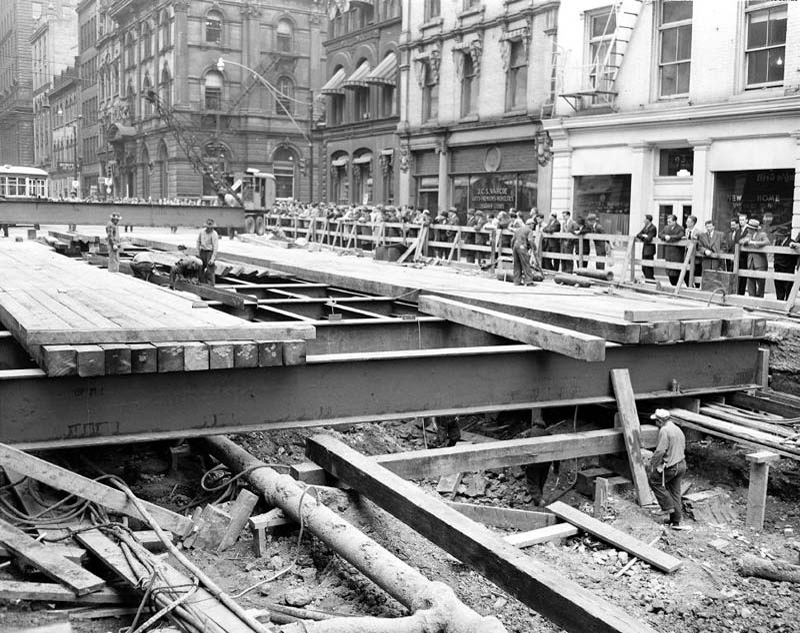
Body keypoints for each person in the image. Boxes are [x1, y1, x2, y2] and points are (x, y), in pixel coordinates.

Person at [647, 409, 689, 530]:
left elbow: (660, 450)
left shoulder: (664, 430)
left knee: (654, 481)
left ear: (660, 421)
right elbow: (682, 446)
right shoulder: (677, 428)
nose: (655, 423)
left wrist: (653, 463)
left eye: (656, 421)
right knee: (675, 492)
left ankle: (667, 506)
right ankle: (675, 521)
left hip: (672, 466)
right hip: (681, 464)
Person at [521, 418, 554, 507]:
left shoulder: (529, 434)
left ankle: (539, 500)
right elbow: (556, 451)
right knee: (540, 481)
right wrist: (556, 468)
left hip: (533, 462)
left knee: (532, 481)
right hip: (546, 462)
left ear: (534, 425)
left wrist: (522, 465)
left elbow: (523, 450)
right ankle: (539, 498)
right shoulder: (549, 435)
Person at [739, 218, 771, 298]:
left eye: (750, 228)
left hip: (760, 262)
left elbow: (767, 242)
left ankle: (759, 299)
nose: (748, 229)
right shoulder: (748, 235)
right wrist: (745, 241)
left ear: (753, 229)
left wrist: (755, 243)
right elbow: (740, 241)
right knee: (750, 280)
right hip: (750, 261)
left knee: (760, 282)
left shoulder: (762, 235)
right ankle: (751, 299)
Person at [773, 226, 800, 301]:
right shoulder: (777, 242)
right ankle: (779, 301)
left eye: (778, 235)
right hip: (778, 267)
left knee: (788, 287)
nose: (776, 236)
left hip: (787, 267)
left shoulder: (791, 242)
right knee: (778, 286)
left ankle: (788, 302)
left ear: (783, 235)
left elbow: (795, 255)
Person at [511, 218, 537, 286]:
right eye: (533, 225)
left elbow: (512, 240)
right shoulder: (529, 230)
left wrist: (512, 248)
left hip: (515, 247)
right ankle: (529, 281)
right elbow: (530, 240)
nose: (533, 226)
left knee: (517, 265)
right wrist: (534, 248)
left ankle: (516, 281)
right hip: (522, 247)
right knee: (525, 264)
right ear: (530, 224)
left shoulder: (518, 230)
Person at [660, 214, 685, 286]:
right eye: (668, 221)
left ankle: (676, 285)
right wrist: (665, 236)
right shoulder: (666, 228)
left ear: (675, 221)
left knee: (676, 270)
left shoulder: (680, 228)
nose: (668, 223)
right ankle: (673, 285)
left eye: (670, 221)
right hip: (668, 252)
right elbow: (660, 234)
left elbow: (679, 236)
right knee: (668, 269)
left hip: (677, 253)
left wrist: (670, 238)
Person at [197, 218, 219, 286]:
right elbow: (198, 241)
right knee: (200, 269)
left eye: (211, 227)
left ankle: (211, 286)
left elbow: (215, 247)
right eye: (208, 227)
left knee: (210, 271)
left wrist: (212, 259)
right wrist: (197, 252)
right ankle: (201, 284)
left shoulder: (214, 234)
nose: (210, 229)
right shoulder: (202, 232)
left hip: (209, 253)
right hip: (202, 252)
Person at [731, 213, 749, 294]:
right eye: (740, 220)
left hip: (746, 256)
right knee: (736, 274)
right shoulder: (737, 231)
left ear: (746, 220)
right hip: (738, 256)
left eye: (743, 220)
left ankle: (741, 293)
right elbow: (735, 243)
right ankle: (736, 292)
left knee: (743, 276)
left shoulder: (749, 230)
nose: (741, 222)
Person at [636, 214, 657, 280]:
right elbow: (638, 234)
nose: (644, 221)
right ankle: (648, 279)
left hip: (650, 250)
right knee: (643, 267)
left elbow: (649, 239)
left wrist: (644, 236)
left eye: (645, 219)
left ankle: (650, 280)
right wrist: (644, 236)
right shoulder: (645, 227)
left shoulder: (653, 228)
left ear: (648, 220)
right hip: (645, 249)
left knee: (649, 267)